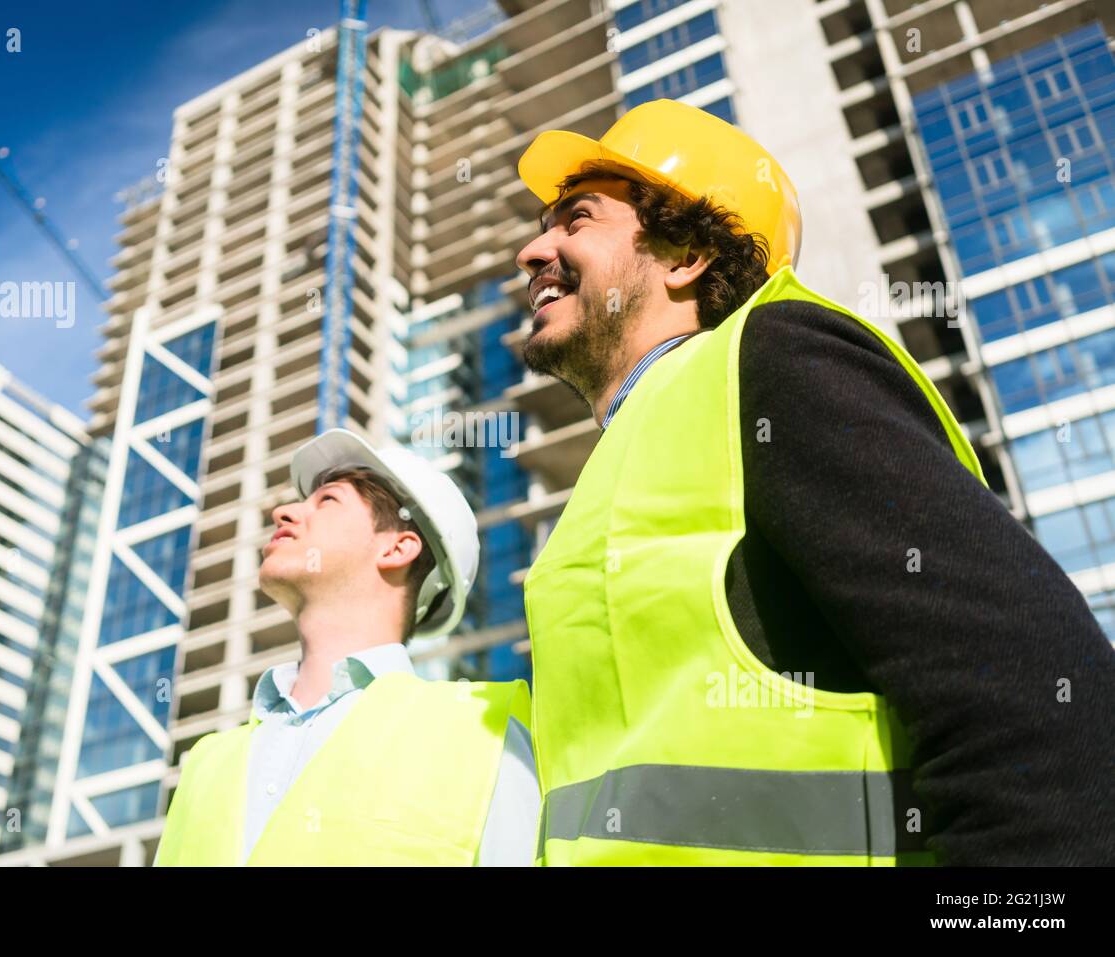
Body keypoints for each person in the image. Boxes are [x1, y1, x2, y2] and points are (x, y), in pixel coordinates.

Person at [512, 98, 1115, 865]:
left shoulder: (769, 361)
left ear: (686, 254)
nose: (534, 249)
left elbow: (1048, 707)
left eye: (576, 219)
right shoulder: (630, 455)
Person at [155, 428, 538, 866]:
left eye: (328, 501)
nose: (283, 512)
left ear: (397, 547)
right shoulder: (205, 764)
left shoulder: (482, 731)